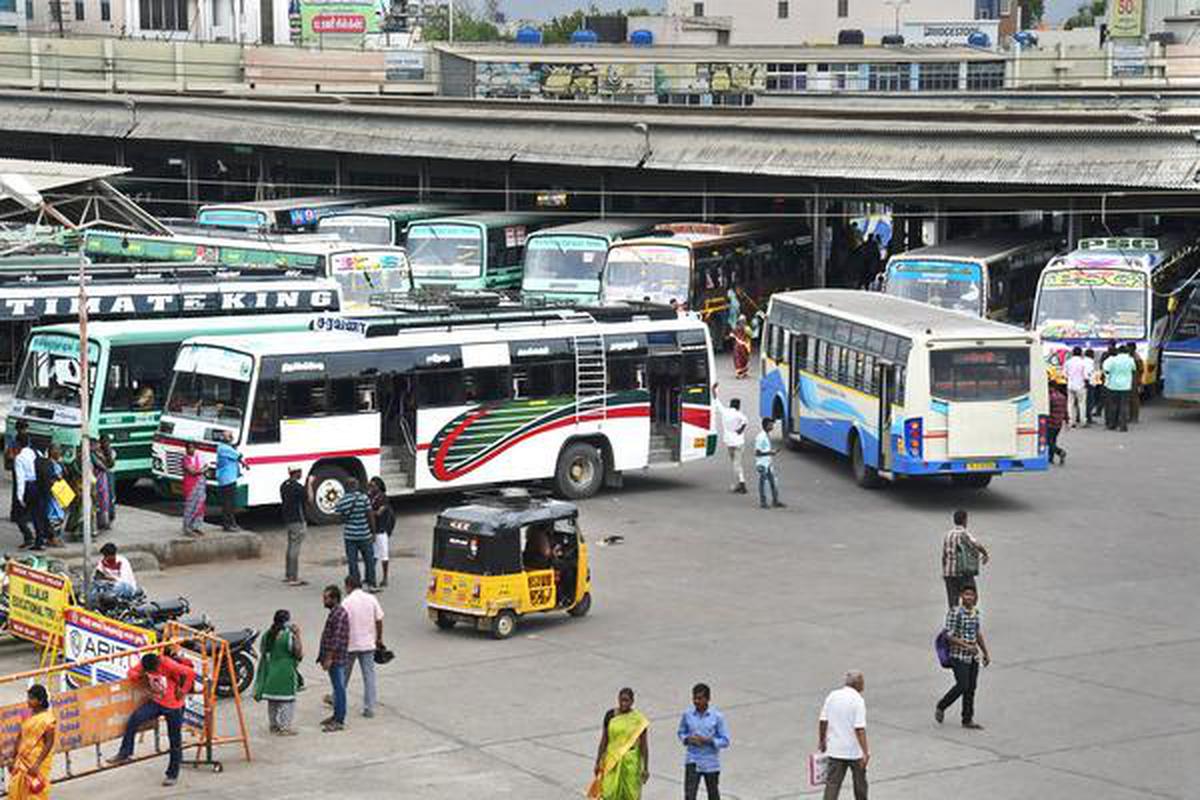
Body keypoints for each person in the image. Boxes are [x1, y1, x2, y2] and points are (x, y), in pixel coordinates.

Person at [108, 651, 196, 787]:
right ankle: (125, 752)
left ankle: (172, 774)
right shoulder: (146, 664)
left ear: (158, 665)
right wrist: (140, 675)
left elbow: (191, 673)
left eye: (154, 671)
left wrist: (183, 691)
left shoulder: (168, 664)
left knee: (175, 741)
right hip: (157, 703)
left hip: (174, 706)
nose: (153, 673)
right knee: (134, 719)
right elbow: (131, 673)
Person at [936, 585, 990, 729]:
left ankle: (967, 719)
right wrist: (967, 646)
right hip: (958, 656)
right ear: (961, 596)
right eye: (966, 594)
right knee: (962, 685)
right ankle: (942, 705)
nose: (969, 597)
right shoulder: (955, 613)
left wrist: (985, 652)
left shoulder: (975, 613)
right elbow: (949, 635)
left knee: (971, 687)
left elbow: (977, 633)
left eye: (972, 595)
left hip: (973, 657)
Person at [818, 671, 869, 800]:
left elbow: (823, 720)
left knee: (833, 784)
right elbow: (859, 729)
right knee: (860, 784)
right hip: (854, 752)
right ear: (857, 684)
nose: (863, 685)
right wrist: (865, 752)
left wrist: (822, 740)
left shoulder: (833, 696)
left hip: (835, 749)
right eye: (862, 682)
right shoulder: (858, 700)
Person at [591, 687, 649, 800]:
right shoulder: (610, 716)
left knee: (630, 795)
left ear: (632, 701)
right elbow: (604, 740)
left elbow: (644, 746)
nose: (624, 703)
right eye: (621, 700)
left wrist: (645, 768)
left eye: (626, 700)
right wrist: (598, 761)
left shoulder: (639, 720)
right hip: (612, 760)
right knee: (608, 792)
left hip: (631, 764)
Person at [341, 575, 384, 719]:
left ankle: (337, 699)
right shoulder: (371, 599)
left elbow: (342, 624)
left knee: (344, 675)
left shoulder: (346, 602)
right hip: (368, 643)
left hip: (350, 644)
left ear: (348, 586)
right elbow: (379, 619)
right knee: (369, 676)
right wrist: (378, 638)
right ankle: (369, 707)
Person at [253, 609, 302, 736]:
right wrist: (298, 635)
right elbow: (298, 654)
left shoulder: (267, 634)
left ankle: (273, 725)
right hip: (285, 672)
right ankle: (285, 727)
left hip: (270, 672)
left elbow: (263, 651)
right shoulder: (288, 636)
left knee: (273, 702)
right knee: (287, 702)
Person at [677, 683, 729, 800]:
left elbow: (725, 740)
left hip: (711, 763)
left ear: (708, 699)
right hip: (692, 760)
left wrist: (708, 740)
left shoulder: (717, 717)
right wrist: (687, 739)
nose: (696, 701)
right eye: (694, 698)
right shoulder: (687, 715)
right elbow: (681, 732)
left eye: (700, 698)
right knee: (689, 795)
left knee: (713, 795)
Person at [9, 684, 55, 800]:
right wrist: (12, 758)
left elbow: (49, 743)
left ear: (40, 701)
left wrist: (37, 764)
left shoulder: (48, 720)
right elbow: (20, 736)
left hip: (36, 760)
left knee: (35, 793)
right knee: (16, 789)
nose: (28, 701)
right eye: (28, 697)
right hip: (22, 760)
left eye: (31, 698)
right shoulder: (26, 714)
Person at [317, 584, 350, 733]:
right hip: (333, 658)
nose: (323, 600)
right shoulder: (335, 613)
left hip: (336, 659)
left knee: (339, 689)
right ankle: (336, 716)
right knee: (337, 688)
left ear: (334, 599)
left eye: (326, 598)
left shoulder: (339, 615)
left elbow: (336, 639)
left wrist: (329, 658)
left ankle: (339, 720)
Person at [941, 509, 989, 609]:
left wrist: (944, 572)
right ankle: (967, 618)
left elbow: (944, 556)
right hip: (963, 572)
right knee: (971, 598)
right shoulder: (964, 534)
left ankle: (953, 621)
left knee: (953, 602)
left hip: (949, 574)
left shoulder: (947, 535)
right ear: (964, 520)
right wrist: (985, 554)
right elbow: (977, 545)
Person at [335, 478, 375, 589]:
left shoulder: (343, 501)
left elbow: (338, 517)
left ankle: (356, 585)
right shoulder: (364, 498)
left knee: (352, 562)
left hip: (350, 536)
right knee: (369, 560)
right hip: (365, 534)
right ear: (356, 486)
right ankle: (371, 583)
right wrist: (373, 532)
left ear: (347, 487)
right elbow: (370, 516)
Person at [279, 466, 309, 586]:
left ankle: (288, 574)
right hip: (298, 519)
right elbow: (308, 498)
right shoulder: (297, 487)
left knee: (290, 546)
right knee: (295, 548)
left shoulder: (284, 485)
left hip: (288, 519)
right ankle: (293, 577)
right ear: (297, 473)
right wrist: (309, 484)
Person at [715, 394, 748, 494]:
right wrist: (740, 430)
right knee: (737, 463)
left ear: (730, 404)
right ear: (738, 406)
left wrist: (713, 390)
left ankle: (742, 484)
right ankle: (740, 483)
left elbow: (717, 401)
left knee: (735, 463)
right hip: (739, 442)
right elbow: (746, 421)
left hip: (729, 442)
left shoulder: (725, 411)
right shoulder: (739, 414)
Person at [215, 431, 247, 532]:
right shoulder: (224, 448)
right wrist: (244, 464)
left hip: (229, 478)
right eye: (230, 436)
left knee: (229, 503)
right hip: (227, 479)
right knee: (228, 504)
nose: (232, 438)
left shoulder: (224, 448)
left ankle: (232, 523)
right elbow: (238, 456)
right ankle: (227, 525)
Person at [13, 434, 40, 549]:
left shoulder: (19, 458)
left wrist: (19, 496)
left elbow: (20, 478)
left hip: (28, 486)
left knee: (20, 517)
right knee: (36, 514)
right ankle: (40, 540)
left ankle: (28, 537)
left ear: (18, 444)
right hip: (39, 485)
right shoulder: (35, 452)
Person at [1102, 344, 1137, 432]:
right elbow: (1133, 369)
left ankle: (1112, 425)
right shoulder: (1130, 360)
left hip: (1113, 386)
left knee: (1113, 406)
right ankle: (1123, 426)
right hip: (1126, 386)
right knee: (1124, 406)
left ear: (1118, 351)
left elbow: (1106, 370)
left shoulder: (1113, 360)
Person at [368, 477, 394, 588]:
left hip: (381, 530)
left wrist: (368, 512)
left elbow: (379, 513)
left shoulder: (383, 498)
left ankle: (385, 578)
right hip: (374, 530)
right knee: (373, 554)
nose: (370, 488)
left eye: (372, 486)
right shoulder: (372, 497)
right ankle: (371, 576)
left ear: (378, 487)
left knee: (383, 555)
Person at [754, 418, 784, 510]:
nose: (772, 427)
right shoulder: (761, 437)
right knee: (762, 483)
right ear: (766, 425)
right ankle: (763, 502)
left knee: (773, 483)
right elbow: (757, 453)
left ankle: (775, 500)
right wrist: (770, 453)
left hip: (768, 463)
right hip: (762, 464)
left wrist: (770, 452)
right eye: (770, 425)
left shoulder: (766, 436)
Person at [180, 441, 206, 536]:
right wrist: (202, 470)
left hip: (200, 485)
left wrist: (202, 470)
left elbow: (204, 467)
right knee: (190, 506)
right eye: (189, 448)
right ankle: (187, 528)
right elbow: (193, 472)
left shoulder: (198, 458)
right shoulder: (185, 459)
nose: (191, 449)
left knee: (200, 506)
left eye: (193, 447)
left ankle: (196, 527)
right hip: (190, 486)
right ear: (186, 449)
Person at [92, 434, 117, 531]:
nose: (106, 444)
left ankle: (107, 521)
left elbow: (110, 464)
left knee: (108, 499)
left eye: (107, 442)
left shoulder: (110, 452)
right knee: (100, 500)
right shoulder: (95, 453)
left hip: (107, 477)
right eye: (104, 442)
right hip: (99, 478)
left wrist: (108, 451)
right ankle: (101, 522)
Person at [6, 418, 28, 522]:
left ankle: (18, 513)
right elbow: (10, 455)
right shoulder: (16, 441)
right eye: (23, 428)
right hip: (20, 468)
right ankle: (16, 514)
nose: (24, 430)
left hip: (21, 468)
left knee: (20, 490)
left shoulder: (20, 439)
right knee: (19, 490)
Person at [1063, 347, 1089, 428]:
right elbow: (1086, 376)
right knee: (1081, 404)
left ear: (1072, 353)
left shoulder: (1068, 362)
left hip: (1070, 385)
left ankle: (1071, 421)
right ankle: (1082, 421)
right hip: (1080, 385)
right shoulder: (1083, 363)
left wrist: (1069, 378)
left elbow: (1064, 374)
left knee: (1070, 404)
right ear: (1081, 353)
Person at [1047, 377, 1068, 465]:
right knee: (1053, 440)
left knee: (1048, 441)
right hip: (1059, 422)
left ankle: (1059, 452)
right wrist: (1066, 420)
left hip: (1051, 421)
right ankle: (1050, 458)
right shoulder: (1063, 396)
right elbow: (1065, 410)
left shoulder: (1050, 397)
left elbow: (1047, 410)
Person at [1127, 343, 1144, 424]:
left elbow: (1141, 370)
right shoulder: (1130, 356)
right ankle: (1130, 416)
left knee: (1134, 399)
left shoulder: (1137, 357)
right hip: (1130, 379)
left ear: (1133, 348)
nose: (1128, 349)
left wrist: (1139, 381)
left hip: (1134, 379)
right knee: (1129, 399)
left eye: (1129, 347)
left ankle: (1134, 418)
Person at [1083, 348, 1099, 425]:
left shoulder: (1082, 361)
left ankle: (1081, 417)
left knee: (1083, 401)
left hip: (1082, 383)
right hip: (1089, 383)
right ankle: (1088, 418)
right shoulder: (1090, 362)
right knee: (1090, 401)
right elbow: (1090, 373)